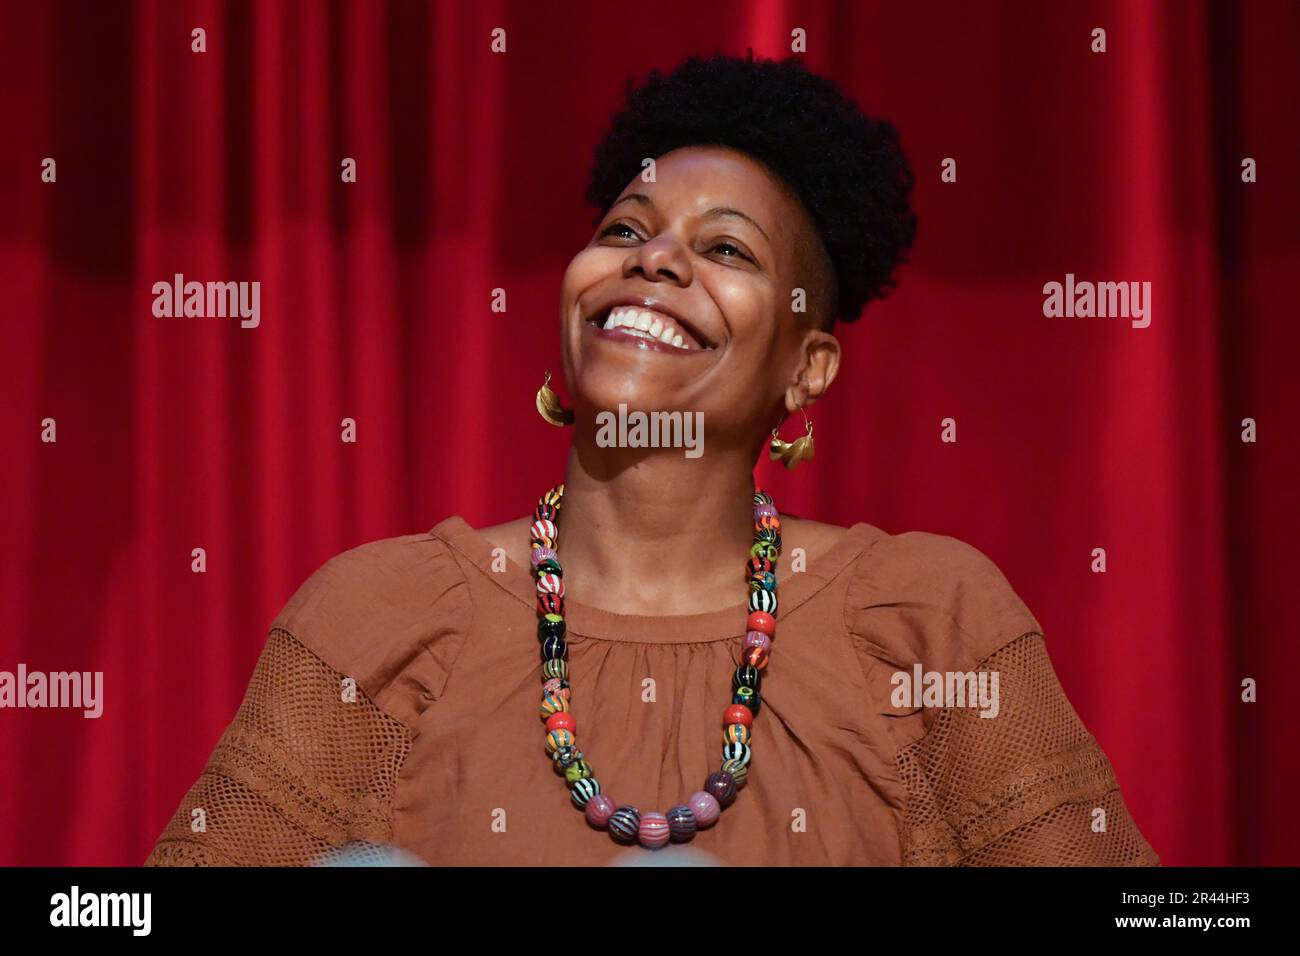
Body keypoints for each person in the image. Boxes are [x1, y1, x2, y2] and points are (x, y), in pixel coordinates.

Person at [145, 52, 1158, 866]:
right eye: (625, 228)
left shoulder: (925, 616)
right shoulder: (382, 613)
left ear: (808, 368)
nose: (653, 258)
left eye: (726, 250)